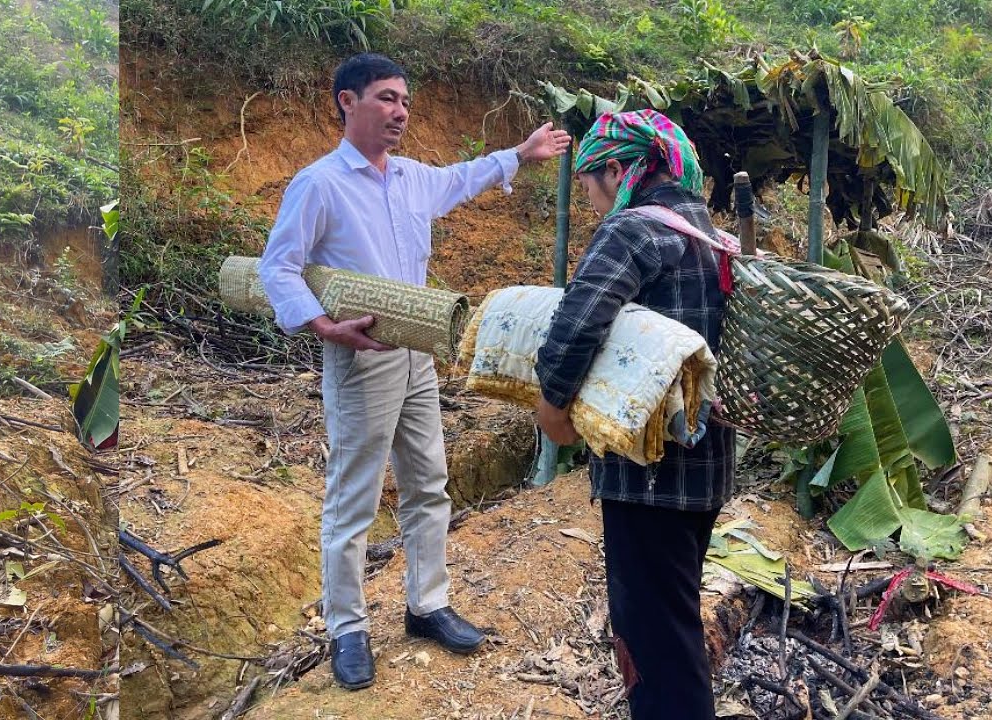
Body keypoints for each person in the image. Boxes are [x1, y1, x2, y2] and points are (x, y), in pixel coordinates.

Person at [257, 52, 570, 691]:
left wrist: (521, 152)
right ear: (348, 101)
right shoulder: (318, 184)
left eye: (404, 101)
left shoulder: (410, 178)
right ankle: (347, 628)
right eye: (386, 98)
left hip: (416, 355)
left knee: (429, 482)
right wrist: (323, 326)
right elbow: (278, 267)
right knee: (354, 497)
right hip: (360, 356)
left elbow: (462, 178)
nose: (400, 112)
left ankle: (427, 605)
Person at [533, 109, 735, 718]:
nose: (593, 200)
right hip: (704, 469)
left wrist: (552, 407)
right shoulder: (705, 230)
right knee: (672, 620)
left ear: (618, 170)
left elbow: (577, 322)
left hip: (648, 474)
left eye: (591, 183)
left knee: (655, 641)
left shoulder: (633, 230)